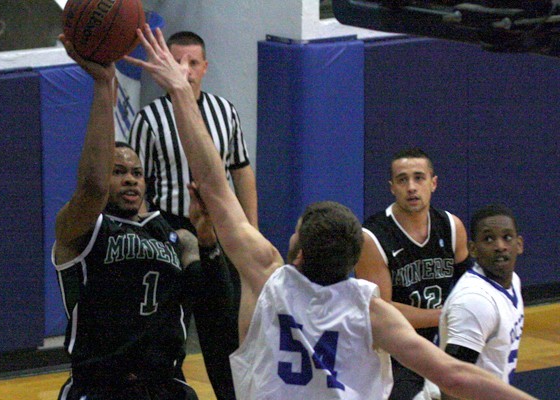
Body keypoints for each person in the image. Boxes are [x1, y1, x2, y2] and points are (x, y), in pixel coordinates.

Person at [125, 23, 538, 400]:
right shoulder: (370, 309)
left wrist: (180, 93)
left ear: (299, 253)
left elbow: (215, 187)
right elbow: (455, 375)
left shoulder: (268, 280)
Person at [52, 33, 200, 400]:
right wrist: (105, 85)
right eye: (119, 171)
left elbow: (207, 297)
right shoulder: (84, 229)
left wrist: (208, 245)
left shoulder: (177, 236)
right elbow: (91, 189)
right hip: (101, 386)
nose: (130, 178)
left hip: (165, 385)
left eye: (135, 172)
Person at [128, 30, 256, 400]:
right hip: (170, 231)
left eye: (192, 62)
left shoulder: (224, 111)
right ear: (163, 65)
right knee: (168, 329)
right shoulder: (149, 120)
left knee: (224, 332)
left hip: (221, 231)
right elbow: (137, 187)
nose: (184, 69)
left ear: (205, 67)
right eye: (176, 61)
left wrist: (251, 231)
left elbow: (242, 170)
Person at [355, 147, 471, 399]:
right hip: (395, 352)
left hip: (443, 342)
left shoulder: (452, 227)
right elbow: (380, 313)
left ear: (433, 183)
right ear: (392, 187)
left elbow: (469, 287)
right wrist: (443, 316)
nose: (411, 187)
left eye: (419, 178)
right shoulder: (372, 237)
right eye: (402, 179)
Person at [439, 204, 525, 400]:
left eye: (507, 237)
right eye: (488, 239)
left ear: (519, 245)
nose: (500, 246)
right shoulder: (475, 302)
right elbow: (452, 382)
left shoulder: (513, 281)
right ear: (473, 249)